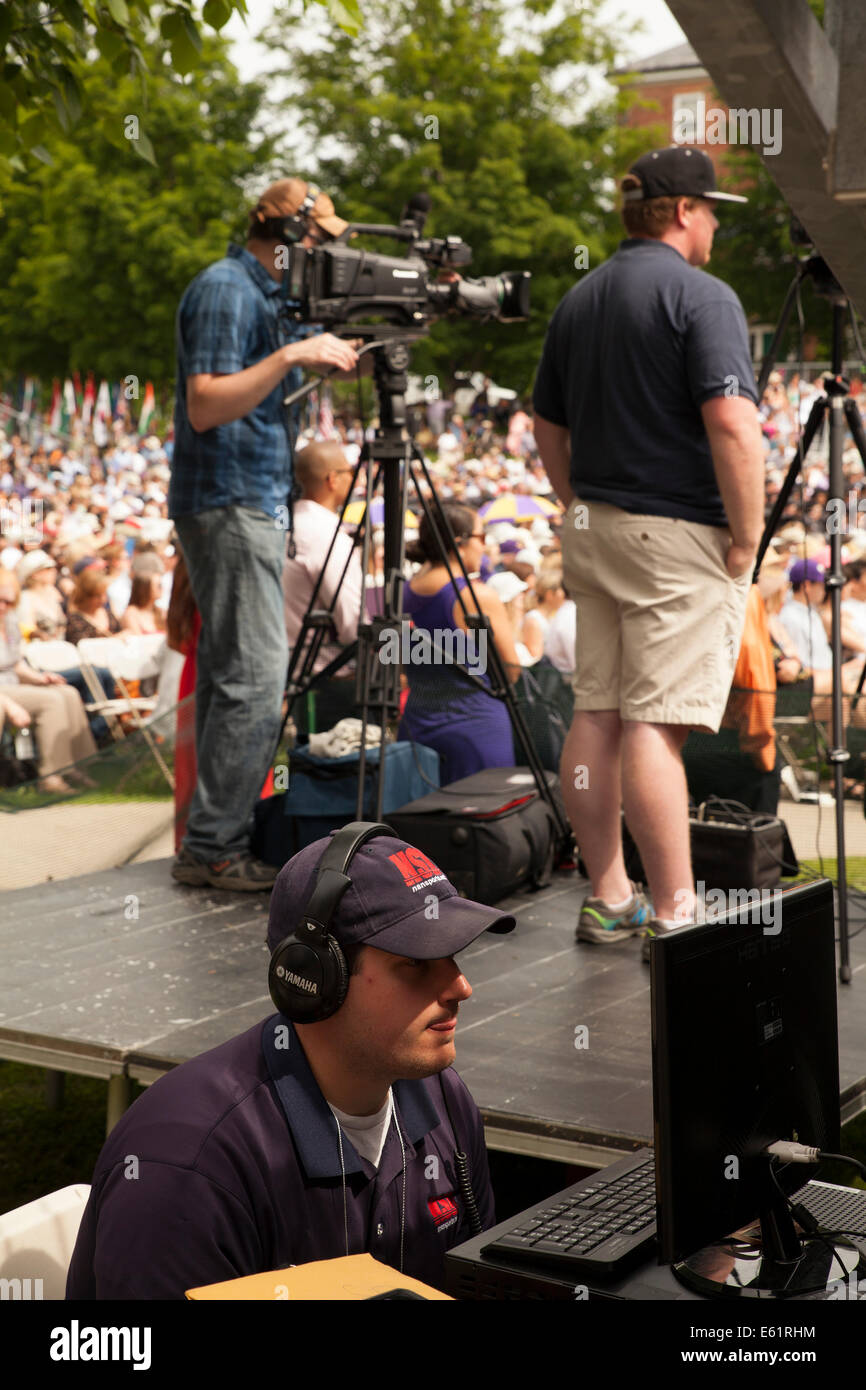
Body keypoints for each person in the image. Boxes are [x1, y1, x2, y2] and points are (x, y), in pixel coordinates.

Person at [66, 827, 513, 1298]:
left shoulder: (441, 1096)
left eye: (454, 955)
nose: (461, 987)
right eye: (417, 963)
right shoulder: (186, 1168)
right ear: (312, 978)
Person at [532, 145, 764, 958]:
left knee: (597, 711)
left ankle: (608, 895)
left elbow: (546, 427)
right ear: (677, 212)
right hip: (676, 534)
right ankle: (675, 910)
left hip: (598, 527)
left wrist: (576, 503)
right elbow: (733, 423)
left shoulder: (581, 296)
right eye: (707, 210)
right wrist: (747, 532)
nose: (711, 226)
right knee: (655, 727)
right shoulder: (703, 296)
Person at [168, 178, 362, 891]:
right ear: (284, 237)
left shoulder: (270, 298)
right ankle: (216, 843)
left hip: (248, 499)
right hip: (229, 499)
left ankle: (206, 842)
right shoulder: (226, 288)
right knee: (255, 678)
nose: (323, 253)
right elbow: (206, 403)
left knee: (231, 673)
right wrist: (290, 356)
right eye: (316, 240)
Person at [399, 503, 520, 782]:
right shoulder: (476, 596)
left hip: (416, 726)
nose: (485, 546)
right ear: (460, 542)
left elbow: (399, 662)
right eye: (481, 537)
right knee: (485, 820)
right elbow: (511, 670)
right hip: (476, 729)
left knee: (417, 822)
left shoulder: (402, 591)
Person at [282, 440, 363, 736]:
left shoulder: (286, 524)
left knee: (309, 767)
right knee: (342, 772)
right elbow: (349, 614)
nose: (354, 477)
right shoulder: (323, 533)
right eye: (349, 471)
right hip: (331, 678)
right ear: (332, 479)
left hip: (297, 673)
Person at [0, 568, 97, 793]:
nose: (3, 605)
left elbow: (16, 665)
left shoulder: (10, 622)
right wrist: (10, 705)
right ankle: (50, 777)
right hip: (4, 691)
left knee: (68, 693)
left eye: (8, 600)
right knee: (51, 701)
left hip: (13, 683)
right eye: (0, 600)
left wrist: (41, 678)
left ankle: (77, 766)